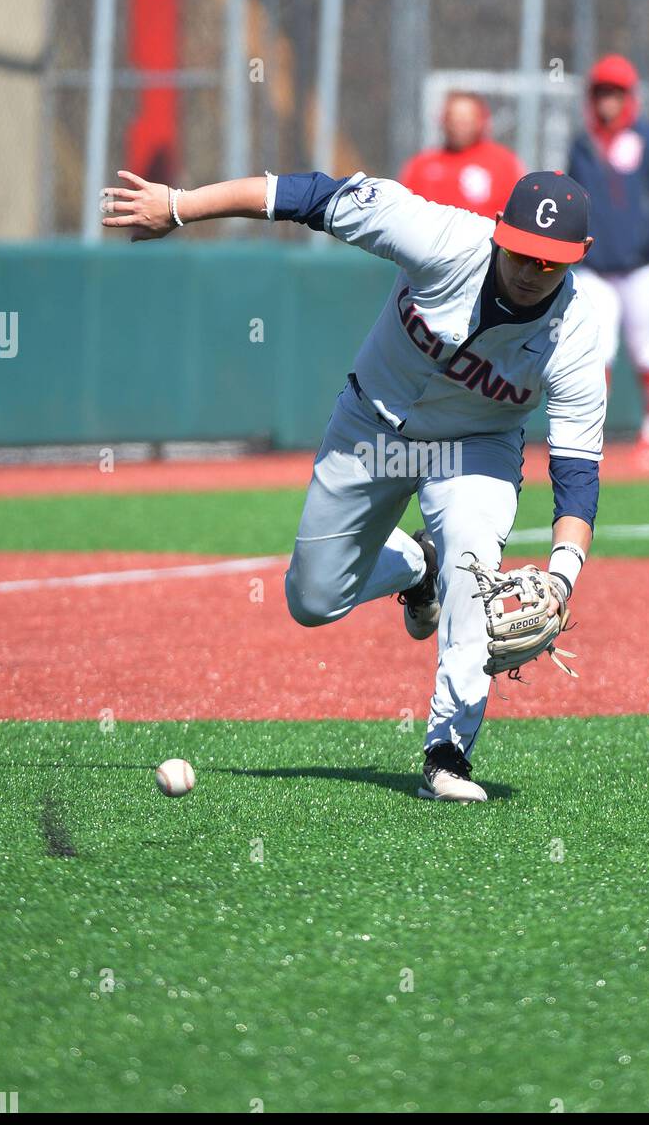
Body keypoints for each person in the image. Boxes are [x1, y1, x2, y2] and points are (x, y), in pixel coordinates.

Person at [100, 164, 605, 804]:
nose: (533, 270)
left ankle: (447, 756)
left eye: (551, 262)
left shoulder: (576, 336)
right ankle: (415, 567)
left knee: (472, 577)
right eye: (523, 252)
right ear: (500, 231)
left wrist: (564, 576)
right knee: (311, 599)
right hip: (371, 425)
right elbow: (306, 196)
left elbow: (577, 469)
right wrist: (177, 204)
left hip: (475, 451)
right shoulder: (438, 237)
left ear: (578, 259)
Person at [567, 54, 649, 465]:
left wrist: (640, 240)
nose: (607, 101)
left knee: (646, 346)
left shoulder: (648, 139)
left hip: (644, 267)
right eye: (601, 92)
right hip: (596, 268)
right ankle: (588, 433)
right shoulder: (582, 143)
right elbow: (572, 199)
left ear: (628, 97)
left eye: (615, 93)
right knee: (597, 347)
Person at [399, 91, 524, 219]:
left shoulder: (503, 162)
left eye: (467, 118)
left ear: (481, 121)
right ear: (444, 121)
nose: (460, 124)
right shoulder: (422, 165)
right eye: (454, 118)